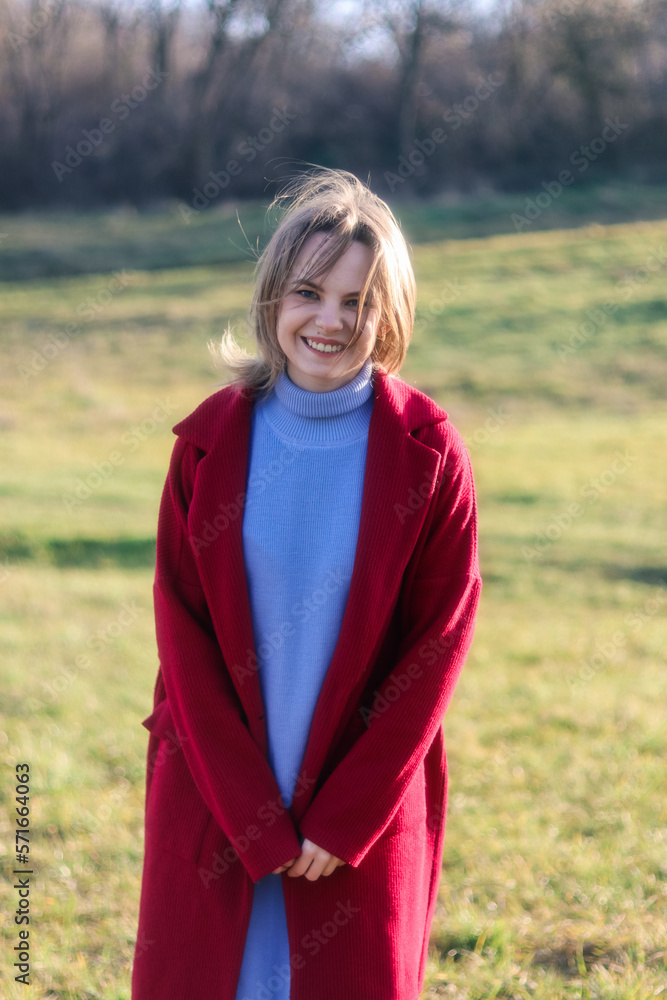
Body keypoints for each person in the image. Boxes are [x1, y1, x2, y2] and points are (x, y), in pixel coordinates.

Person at [131, 166, 482, 1000]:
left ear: (386, 317)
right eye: (309, 293)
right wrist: (249, 811)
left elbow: (435, 648)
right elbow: (183, 638)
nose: (329, 320)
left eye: (357, 303)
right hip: (217, 793)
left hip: (354, 818)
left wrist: (344, 816)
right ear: (271, 301)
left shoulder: (429, 453)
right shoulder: (209, 442)